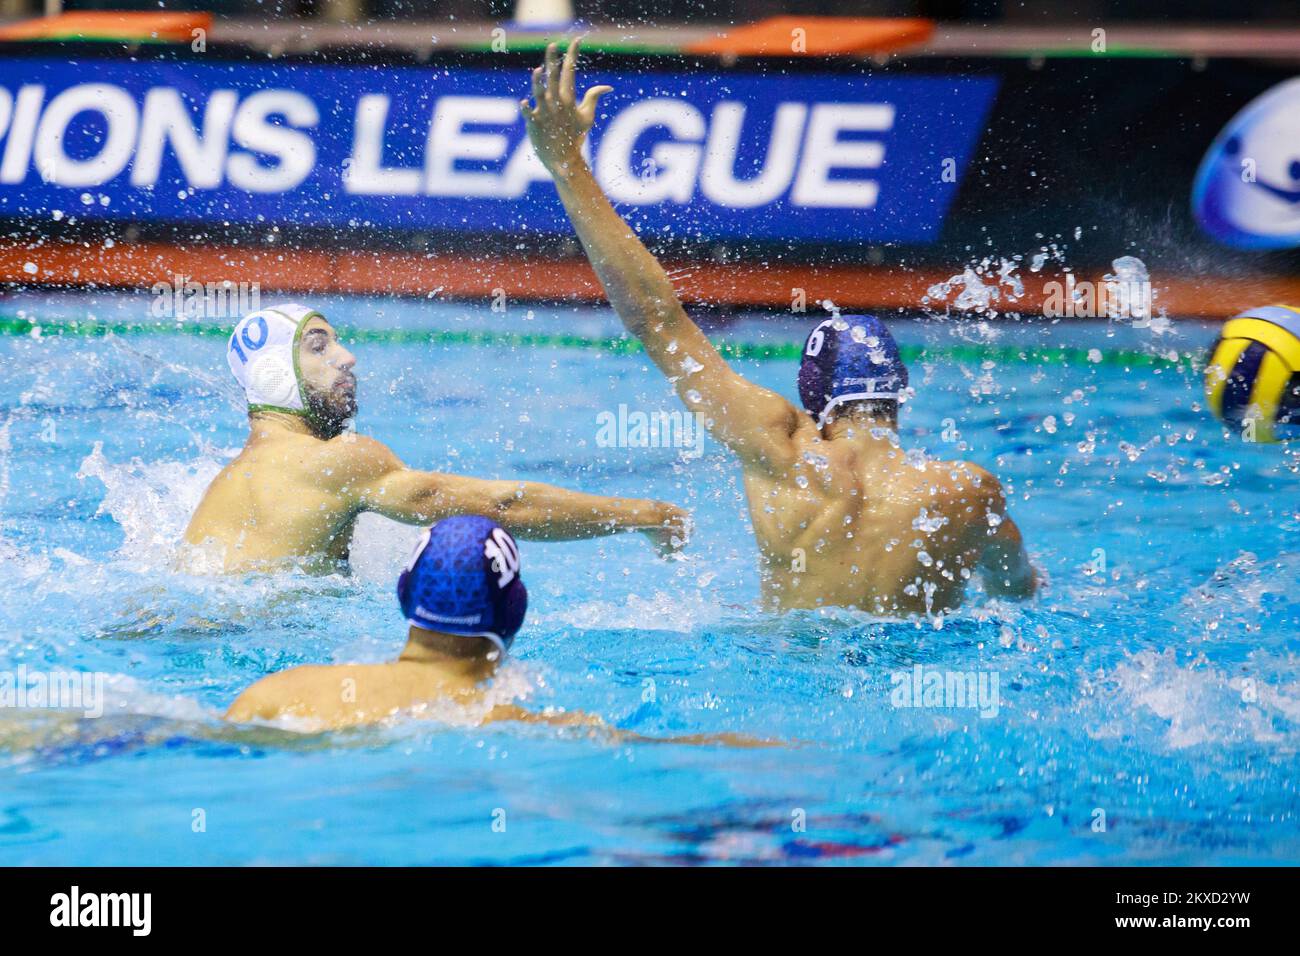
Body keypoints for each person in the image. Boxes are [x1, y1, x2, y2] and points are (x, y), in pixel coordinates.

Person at [519, 41, 1038, 616]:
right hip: (912, 667)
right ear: (897, 394)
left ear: (815, 399)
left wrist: (567, 165)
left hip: (790, 662)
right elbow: (1019, 591)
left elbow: (656, 319)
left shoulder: (783, 451)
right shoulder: (967, 491)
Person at [184, 303, 688, 572]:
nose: (347, 357)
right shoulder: (339, 461)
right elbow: (502, 507)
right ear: (273, 375)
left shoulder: (225, 485)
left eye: (337, 342)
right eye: (320, 347)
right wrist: (645, 515)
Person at [226, 515, 768, 747]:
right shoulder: (514, 724)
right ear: (515, 613)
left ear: (404, 594)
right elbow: (683, 747)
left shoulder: (279, 691)